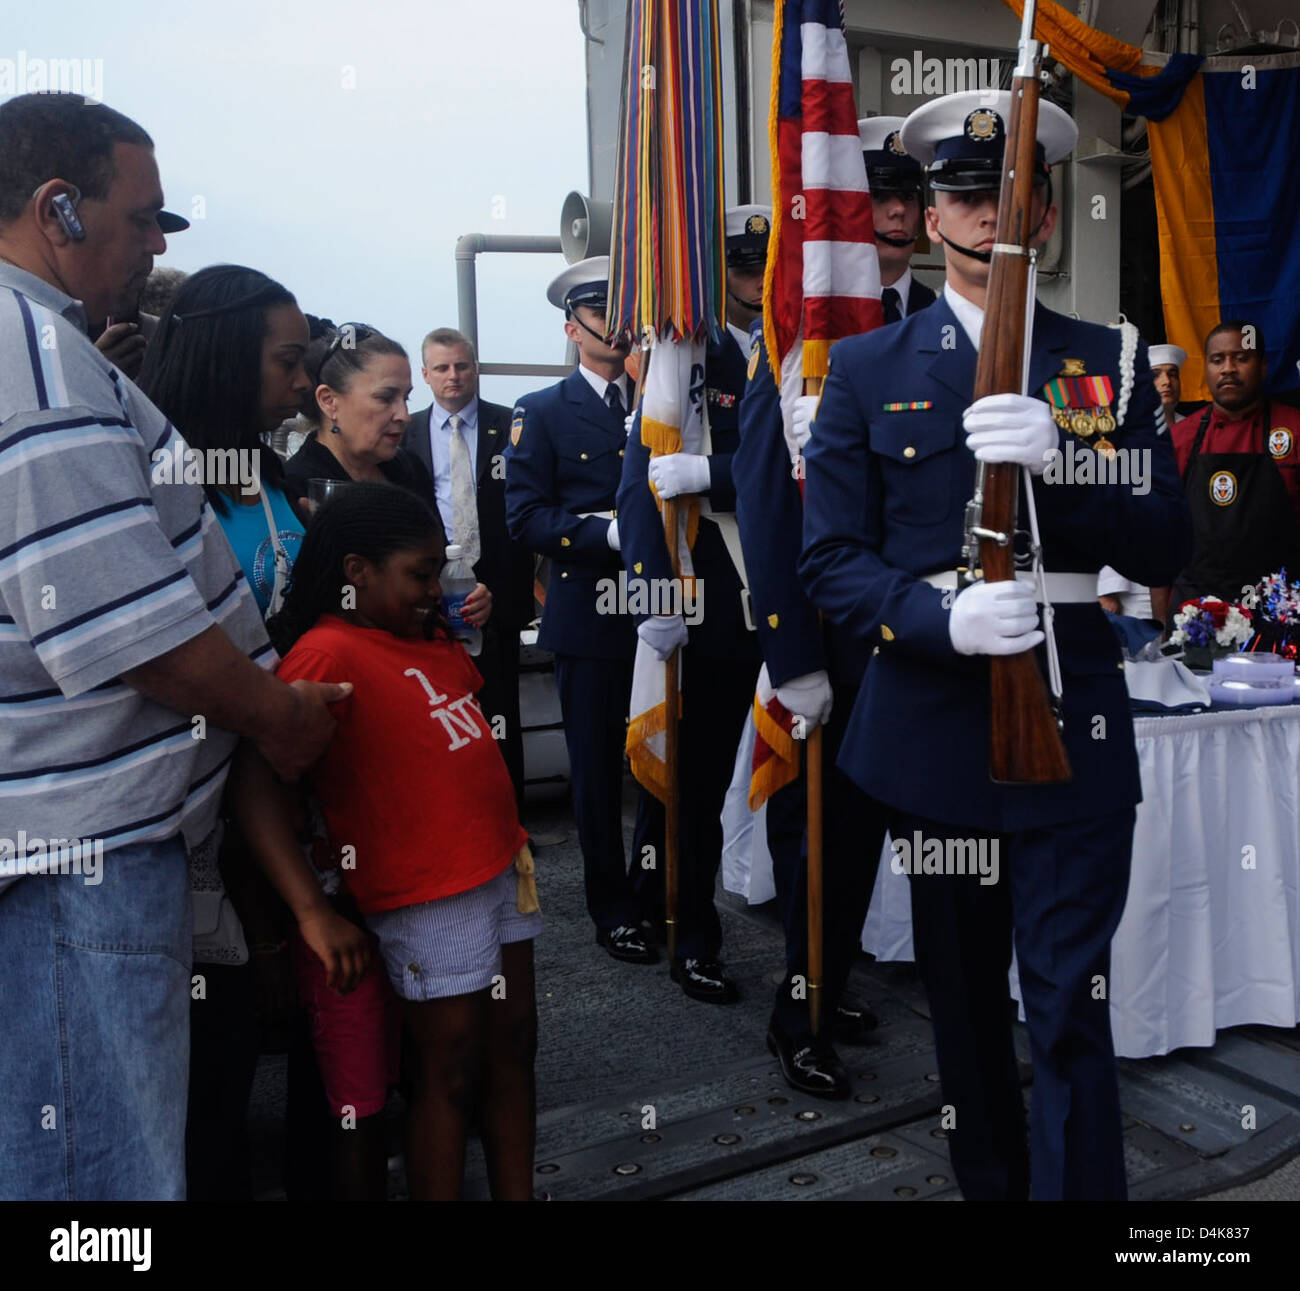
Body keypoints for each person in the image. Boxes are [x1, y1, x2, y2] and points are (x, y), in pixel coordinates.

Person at [799, 89, 1192, 1199]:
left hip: (1074, 728)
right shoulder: (869, 369)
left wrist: (1070, 460)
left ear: (1046, 214)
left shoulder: (1103, 360)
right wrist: (939, 619)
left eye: (1011, 195)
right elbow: (832, 561)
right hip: (936, 733)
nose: (988, 215)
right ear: (931, 218)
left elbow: (1167, 538)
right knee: (966, 1006)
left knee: (1068, 1003)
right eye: (967, 196)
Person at [0, 92, 344, 1202]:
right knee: (97, 1182)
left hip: (74, 854)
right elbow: (121, 625)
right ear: (59, 208)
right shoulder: (33, 361)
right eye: (143, 217)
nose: (156, 246)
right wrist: (280, 716)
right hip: (80, 864)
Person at [234, 482, 540, 1201]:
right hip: (425, 891)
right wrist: (311, 912)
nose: (436, 590)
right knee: (448, 1073)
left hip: (501, 864)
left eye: (438, 573)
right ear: (357, 572)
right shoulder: (325, 653)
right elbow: (256, 787)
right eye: (420, 574)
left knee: (513, 1049)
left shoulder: (423, 636)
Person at [734, 175, 935, 1089]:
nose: (891, 215)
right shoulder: (804, 329)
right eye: (873, 199)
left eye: (908, 200)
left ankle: (845, 981)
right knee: (829, 845)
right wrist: (793, 656)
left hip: (934, 640)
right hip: (839, 647)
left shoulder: (946, 323)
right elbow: (769, 500)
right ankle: (801, 1009)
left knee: (928, 841)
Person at [136, 263, 319, 1198]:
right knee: (197, 1079)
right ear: (222, 358)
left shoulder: (267, 472)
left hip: (277, 799)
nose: (303, 381)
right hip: (192, 825)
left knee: (251, 1044)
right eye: (287, 361)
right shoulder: (155, 484)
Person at [615, 208, 768, 1003]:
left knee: (791, 785)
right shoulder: (688, 354)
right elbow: (639, 485)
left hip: (789, 594)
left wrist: (719, 475)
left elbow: (805, 470)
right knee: (696, 784)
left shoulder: (801, 351)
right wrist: (652, 592)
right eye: (740, 264)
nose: (754, 278)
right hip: (708, 599)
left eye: (763, 263)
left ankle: (809, 957)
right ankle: (690, 933)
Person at [505, 256, 662, 966]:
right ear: (573, 328)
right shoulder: (540, 411)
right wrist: (609, 533)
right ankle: (613, 905)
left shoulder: (660, 396)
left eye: (623, 311)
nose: (617, 325)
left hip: (664, 605)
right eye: (602, 313)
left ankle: (656, 889)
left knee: (665, 760)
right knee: (596, 770)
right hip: (592, 608)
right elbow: (526, 516)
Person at [403, 327, 534, 811]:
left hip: (498, 594)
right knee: (437, 715)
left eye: (461, 365)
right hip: (428, 594)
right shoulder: (407, 434)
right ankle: (452, 820)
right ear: (425, 375)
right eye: (442, 368)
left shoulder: (514, 423)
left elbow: (528, 505)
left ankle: (511, 824)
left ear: (475, 368)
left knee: (501, 715)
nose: (453, 376)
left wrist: (499, 589)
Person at [1160, 320, 1300, 617]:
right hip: (1194, 616)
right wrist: (1161, 626)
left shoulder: (1294, 430)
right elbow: (1157, 538)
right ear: (1206, 369)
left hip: (1279, 614)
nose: (1228, 369)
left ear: (1263, 367)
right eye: (1217, 360)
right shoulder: (1179, 440)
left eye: (1241, 358)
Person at [858, 116, 937, 321]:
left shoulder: (939, 313)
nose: (899, 209)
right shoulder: (822, 312)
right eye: (880, 196)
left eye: (909, 197)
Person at [1148, 342, 1187, 422]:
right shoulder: (1128, 427)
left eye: (1172, 375)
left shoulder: (1194, 426)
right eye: (1155, 375)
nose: (1167, 381)